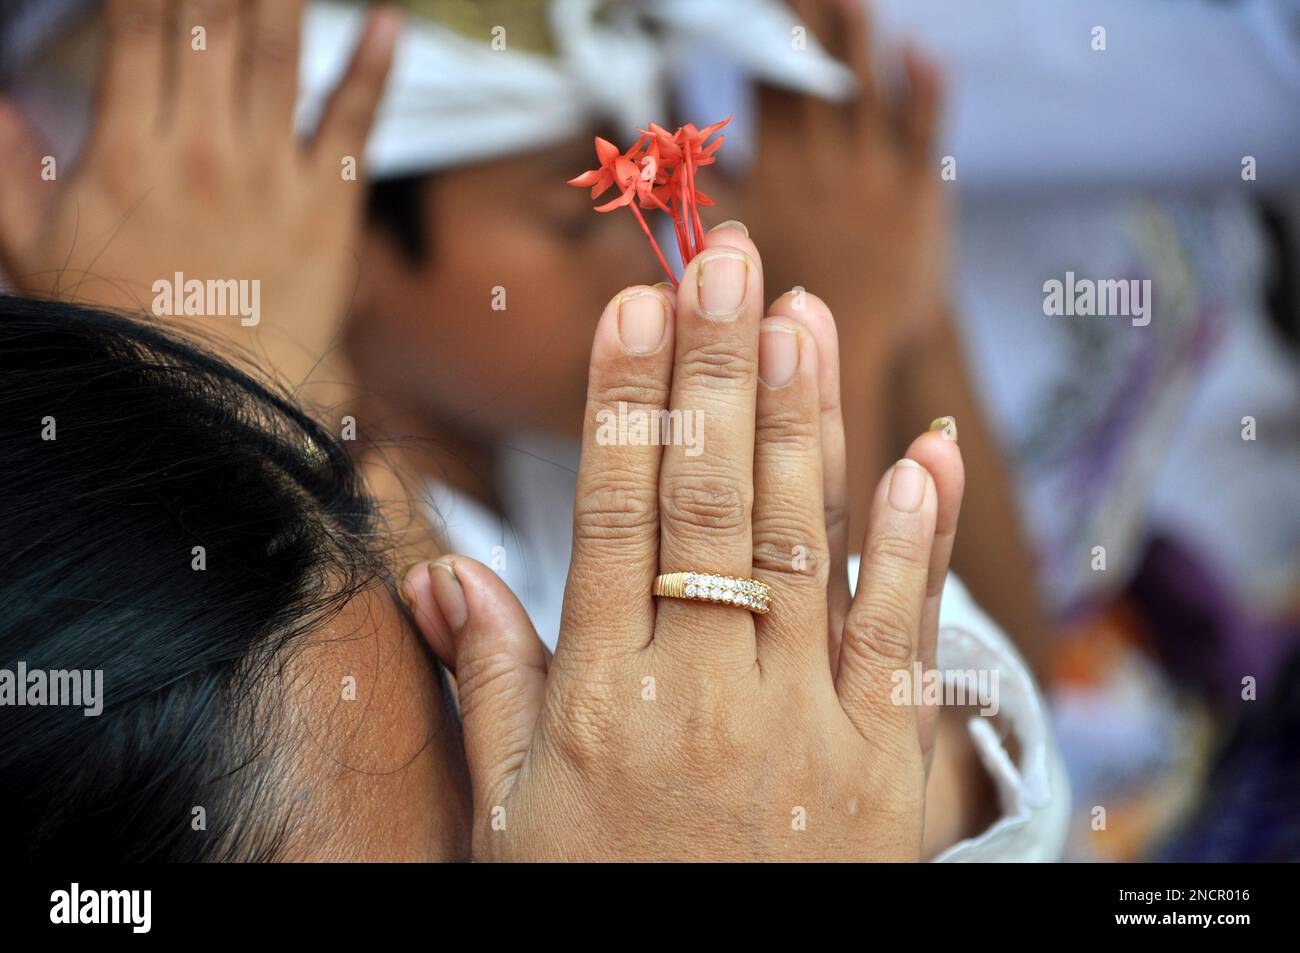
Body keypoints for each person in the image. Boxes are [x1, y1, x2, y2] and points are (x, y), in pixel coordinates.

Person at [0, 0, 1067, 860]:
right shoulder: (342, 622)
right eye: (576, 215)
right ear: (348, 259)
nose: (671, 238)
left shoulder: (559, 457)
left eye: (662, 169)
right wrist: (225, 399)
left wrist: (890, 316)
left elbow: (1025, 706)